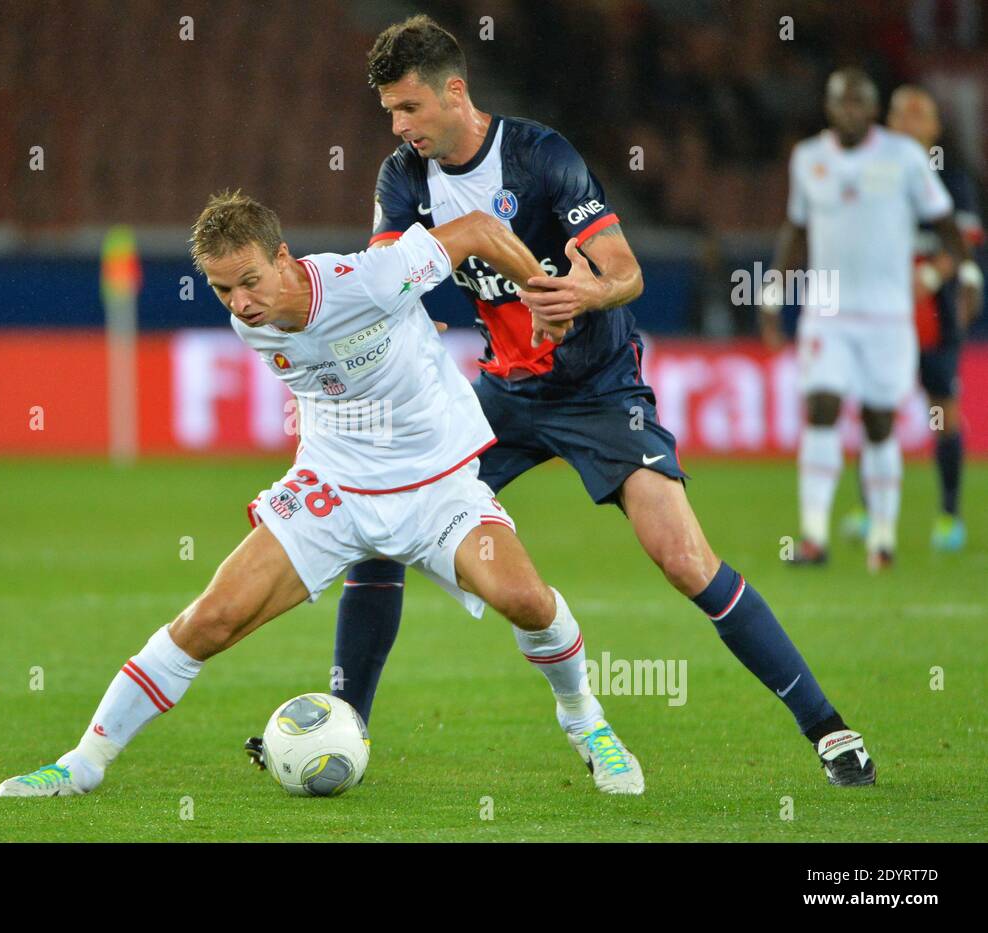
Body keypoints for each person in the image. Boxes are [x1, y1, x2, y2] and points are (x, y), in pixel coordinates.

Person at [248, 15, 875, 788]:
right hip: (502, 397)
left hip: (599, 391)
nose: (398, 126)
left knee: (684, 560)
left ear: (454, 92)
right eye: (389, 113)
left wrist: (588, 292)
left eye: (408, 108)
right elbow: (386, 286)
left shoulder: (542, 158)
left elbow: (626, 271)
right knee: (379, 537)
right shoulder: (403, 181)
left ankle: (828, 730)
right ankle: (350, 727)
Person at [0, 189, 645, 797]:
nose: (242, 303)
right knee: (210, 618)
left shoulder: (369, 277)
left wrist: (540, 295)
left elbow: (477, 230)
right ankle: (81, 763)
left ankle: (585, 719)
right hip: (333, 489)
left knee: (525, 599)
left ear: (284, 258)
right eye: (223, 289)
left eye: (250, 280)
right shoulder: (253, 323)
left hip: (434, 485)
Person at [762, 70, 976, 571]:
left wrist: (966, 275)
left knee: (880, 423)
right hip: (828, 311)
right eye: (842, 103)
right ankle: (813, 534)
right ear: (830, 108)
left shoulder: (904, 158)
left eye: (861, 104)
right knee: (822, 407)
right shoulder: (809, 158)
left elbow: (947, 225)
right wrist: (772, 298)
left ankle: (882, 536)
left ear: (872, 110)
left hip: (888, 315)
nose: (851, 112)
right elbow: (795, 233)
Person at [840, 86, 984, 552]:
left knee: (943, 410)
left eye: (918, 115)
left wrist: (933, 275)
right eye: (900, 113)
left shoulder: (951, 179)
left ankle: (948, 514)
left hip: (932, 315)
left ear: (935, 129)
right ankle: (867, 506)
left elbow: (963, 241)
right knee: (875, 407)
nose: (908, 122)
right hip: (882, 312)